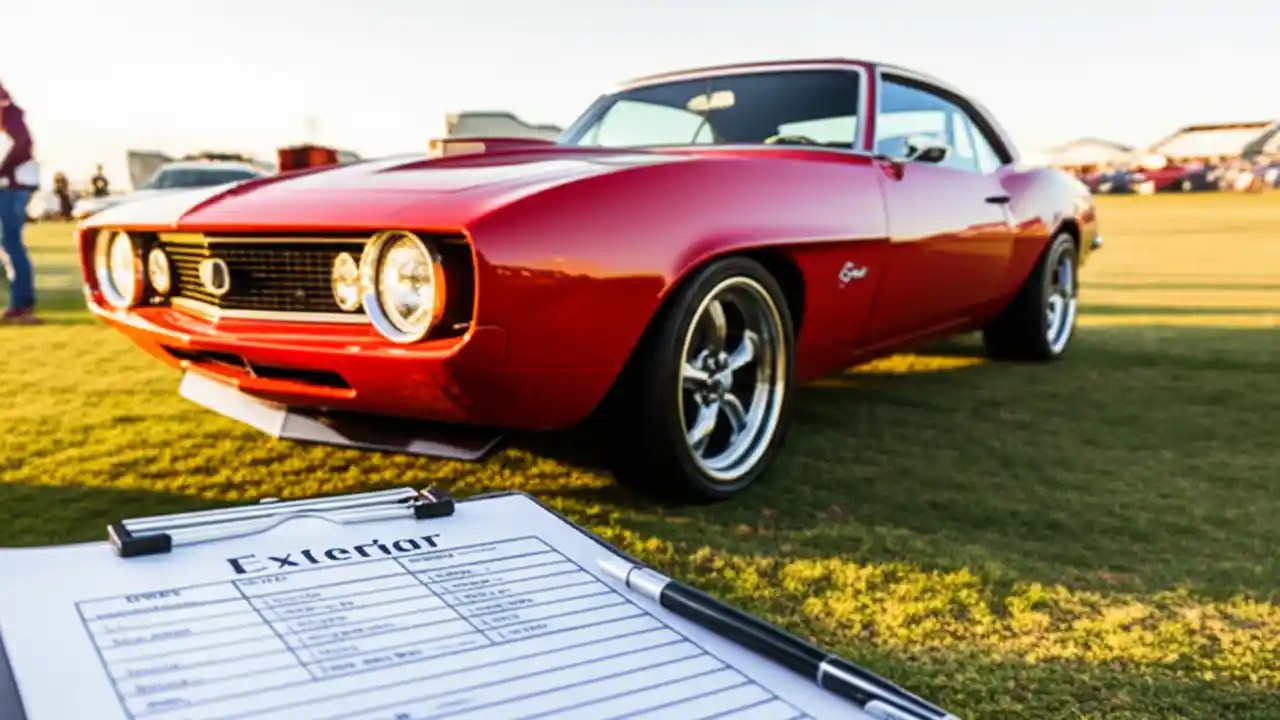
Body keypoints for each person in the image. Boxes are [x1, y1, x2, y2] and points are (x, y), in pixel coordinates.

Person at [0, 80, 40, 324]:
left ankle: (22, 304)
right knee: (9, 244)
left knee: (11, 244)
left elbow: (21, 144)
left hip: (12, 187)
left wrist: (3, 169)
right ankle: (20, 302)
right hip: (10, 185)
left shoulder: (9, 115)